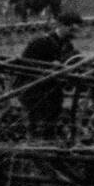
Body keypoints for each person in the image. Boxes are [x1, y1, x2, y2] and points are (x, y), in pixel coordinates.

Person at [17, 10, 83, 139]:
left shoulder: (67, 46)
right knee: (42, 117)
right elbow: (24, 66)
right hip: (32, 88)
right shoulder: (41, 42)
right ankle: (36, 140)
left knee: (53, 112)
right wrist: (48, 67)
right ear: (62, 26)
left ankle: (48, 138)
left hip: (51, 88)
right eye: (72, 30)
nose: (74, 34)